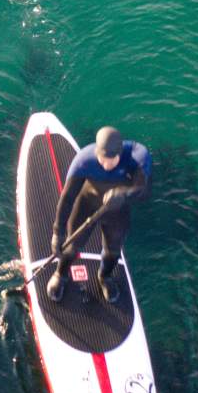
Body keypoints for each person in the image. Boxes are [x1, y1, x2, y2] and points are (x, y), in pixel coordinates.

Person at [45, 126, 151, 304]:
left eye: (113, 160)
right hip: (87, 204)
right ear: (96, 152)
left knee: (113, 251)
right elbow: (67, 198)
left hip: (117, 212)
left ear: (120, 153)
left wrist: (124, 193)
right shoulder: (84, 160)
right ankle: (60, 274)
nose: (107, 165)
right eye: (103, 159)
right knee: (72, 246)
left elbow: (143, 191)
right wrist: (57, 232)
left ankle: (105, 277)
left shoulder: (137, 155)